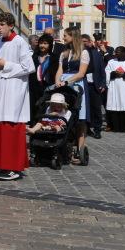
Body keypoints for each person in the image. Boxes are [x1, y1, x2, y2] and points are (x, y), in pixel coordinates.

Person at [0, 12, 34, 181]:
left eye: (2, 25)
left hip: (14, 89)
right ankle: (0, 164)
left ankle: (12, 167)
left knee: (10, 127)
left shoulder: (20, 42)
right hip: (0, 88)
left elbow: (29, 67)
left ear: (11, 26)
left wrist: (6, 64)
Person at [54, 27, 90, 165]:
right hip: (63, 85)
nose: (63, 38)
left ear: (73, 36)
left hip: (77, 85)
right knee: (63, 115)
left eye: (65, 35)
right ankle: (63, 147)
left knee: (80, 119)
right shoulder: (63, 53)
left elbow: (81, 73)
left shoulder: (83, 52)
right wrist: (58, 81)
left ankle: (79, 148)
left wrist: (67, 81)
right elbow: (60, 70)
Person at [82, 34, 107, 138]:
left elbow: (102, 70)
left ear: (89, 41)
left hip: (95, 84)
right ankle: (86, 129)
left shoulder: (96, 54)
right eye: (81, 41)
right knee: (85, 108)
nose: (83, 43)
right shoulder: (80, 53)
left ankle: (97, 129)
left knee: (97, 108)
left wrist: (103, 83)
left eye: (85, 41)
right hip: (84, 84)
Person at [29, 34, 54, 124]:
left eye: (45, 43)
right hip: (34, 87)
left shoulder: (53, 58)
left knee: (45, 106)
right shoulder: (34, 57)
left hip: (47, 87)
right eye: (40, 43)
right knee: (34, 105)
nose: (42, 45)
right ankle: (33, 124)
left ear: (50, 45)